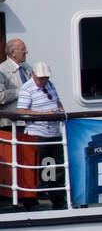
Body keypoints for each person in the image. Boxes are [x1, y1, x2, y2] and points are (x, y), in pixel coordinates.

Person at [16, 61, 65, 209]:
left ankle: (57, 200)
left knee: (54, 169)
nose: (43, 81)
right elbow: (22, 111)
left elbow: (57, 102)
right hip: (38, 135)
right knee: (34, 169)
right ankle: (30, 202)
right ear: (34, 75)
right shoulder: (27, 88)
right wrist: (42, 114)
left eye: (45, 78)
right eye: (40, 78)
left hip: (53, 134)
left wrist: (61, 110)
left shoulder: (50, 85)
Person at [0, 39, 39, 209]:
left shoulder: (28, 69)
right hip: (11, 125)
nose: (26, 52)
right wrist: (22, 90)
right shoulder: (2, 70)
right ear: (12, 52)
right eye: (23, 49)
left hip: (30, 123)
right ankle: (20, 199)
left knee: (30, 162)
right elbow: (0, 97)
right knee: (17, 163)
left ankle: (31, 196)